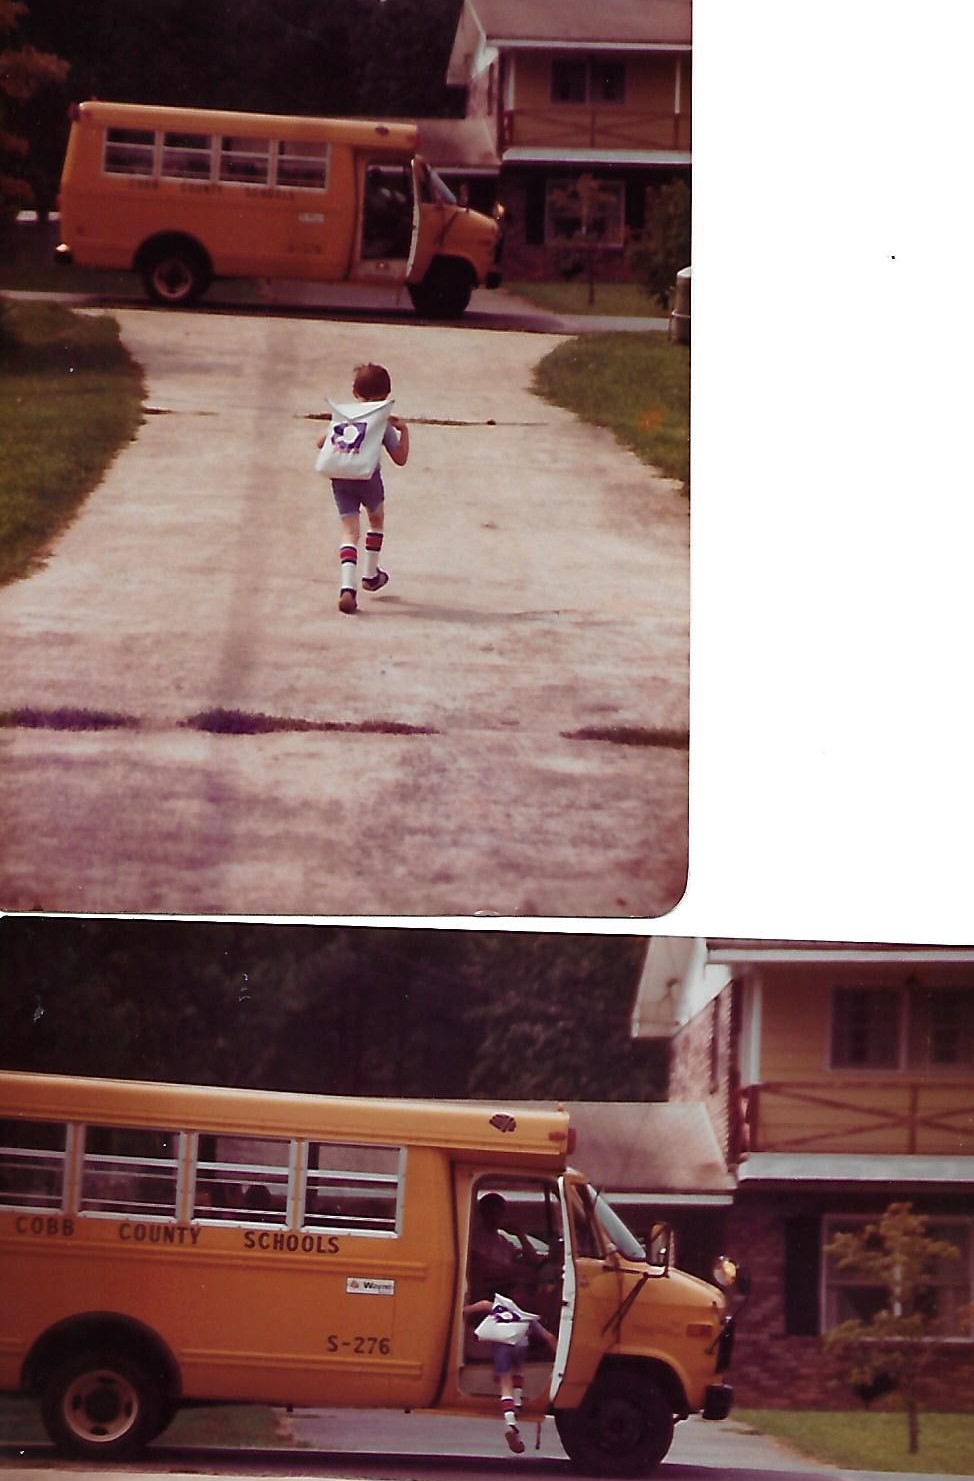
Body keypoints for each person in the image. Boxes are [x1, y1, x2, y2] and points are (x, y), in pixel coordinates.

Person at [317, 362, 409, 614]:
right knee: (376, 520)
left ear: (355, 393)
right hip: (367, 478)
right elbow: (400, 458)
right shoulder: (382, 423)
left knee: (349, 533)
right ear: (386, 395)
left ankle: (347, 588)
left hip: (340, 477)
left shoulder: (343, 415)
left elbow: (320, 443)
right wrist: (404, 431)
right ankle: (370, 574)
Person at [463, 1294, 557, 1455]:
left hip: (502, 1347)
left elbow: (484, 1304)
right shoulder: (528, 1317)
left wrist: (465, 1310)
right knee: (519, 1370)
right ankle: (518, 1403)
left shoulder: (500, 1308)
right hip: (521, 1346)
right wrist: (561, 1357)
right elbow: (549, 1337)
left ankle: (510, 1423)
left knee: (505, 1383)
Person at [470, 1192, 546, 1298]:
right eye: (493, 1212)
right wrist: (516, 1271)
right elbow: (482, 1267)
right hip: (492, 1289)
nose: (497, 1216)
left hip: (508, 1285)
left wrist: (520, 1235)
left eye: (500, 1212)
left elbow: (533, 1260)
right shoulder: (475, 1237)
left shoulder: (501, 1238)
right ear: (483, 1213)